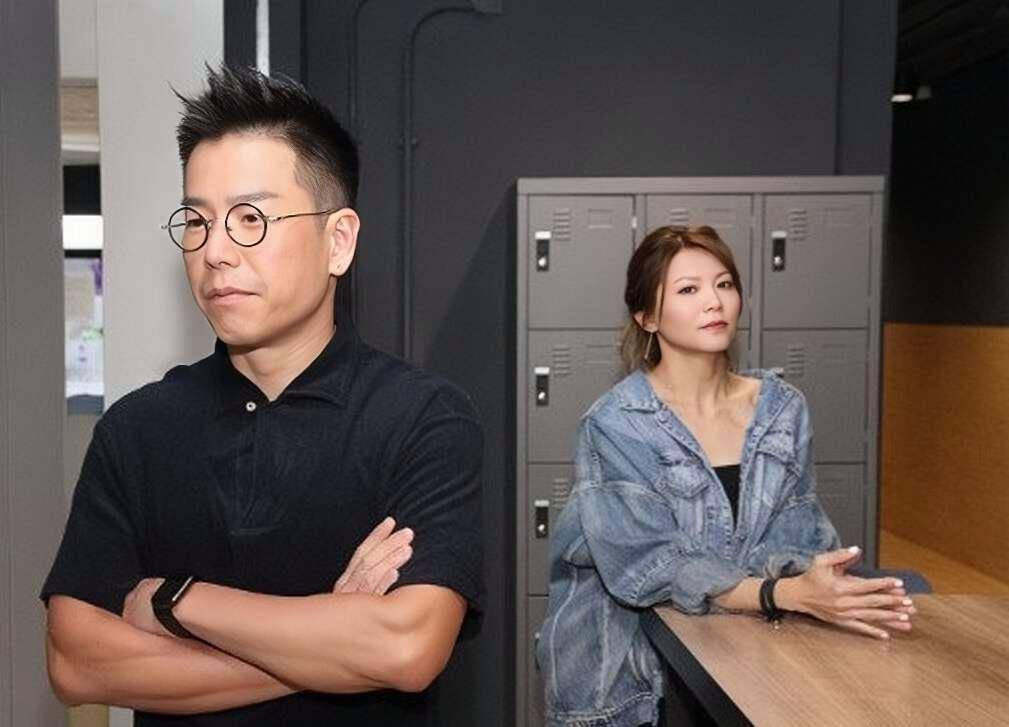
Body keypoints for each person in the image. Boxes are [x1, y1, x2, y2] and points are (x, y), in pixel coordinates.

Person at [42, 65, 484, 726]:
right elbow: (76, 663)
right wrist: (331, 639)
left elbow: (406, 647)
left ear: (338, 241)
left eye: (250, 218)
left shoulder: (422, 417)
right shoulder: (136, 428)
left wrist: (175, 600)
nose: (215, 251)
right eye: (197, 221)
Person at [537, 225, 914, 727]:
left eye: (725, 284)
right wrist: (779, 592)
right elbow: (650, 567)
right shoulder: (616, 424)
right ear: (647, 317)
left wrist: (815, 577)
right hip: (629, 677)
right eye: (688, 289)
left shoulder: (781, 409)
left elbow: (794, 535)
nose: (713, 302)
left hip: (746, 649)